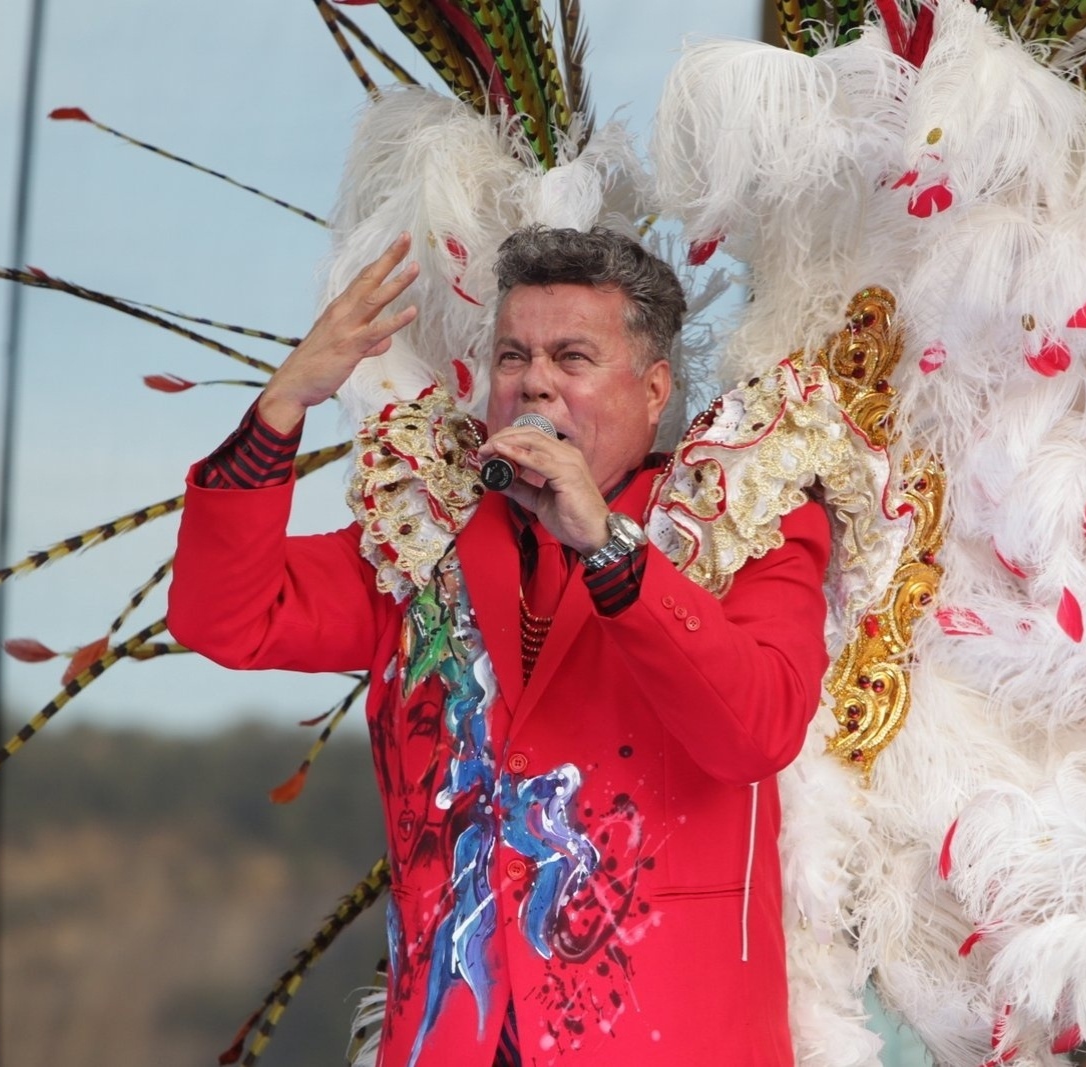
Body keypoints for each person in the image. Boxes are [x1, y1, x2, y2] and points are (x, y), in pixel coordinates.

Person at [168, 226, 831, 1067]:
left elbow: (756, 731)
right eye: (513, 358)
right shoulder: (420, 535)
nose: (534, 385)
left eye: (573, 358)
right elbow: (222, 615)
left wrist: (609, 549)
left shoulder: (737, 522)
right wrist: (281, 407)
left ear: (653, 387)